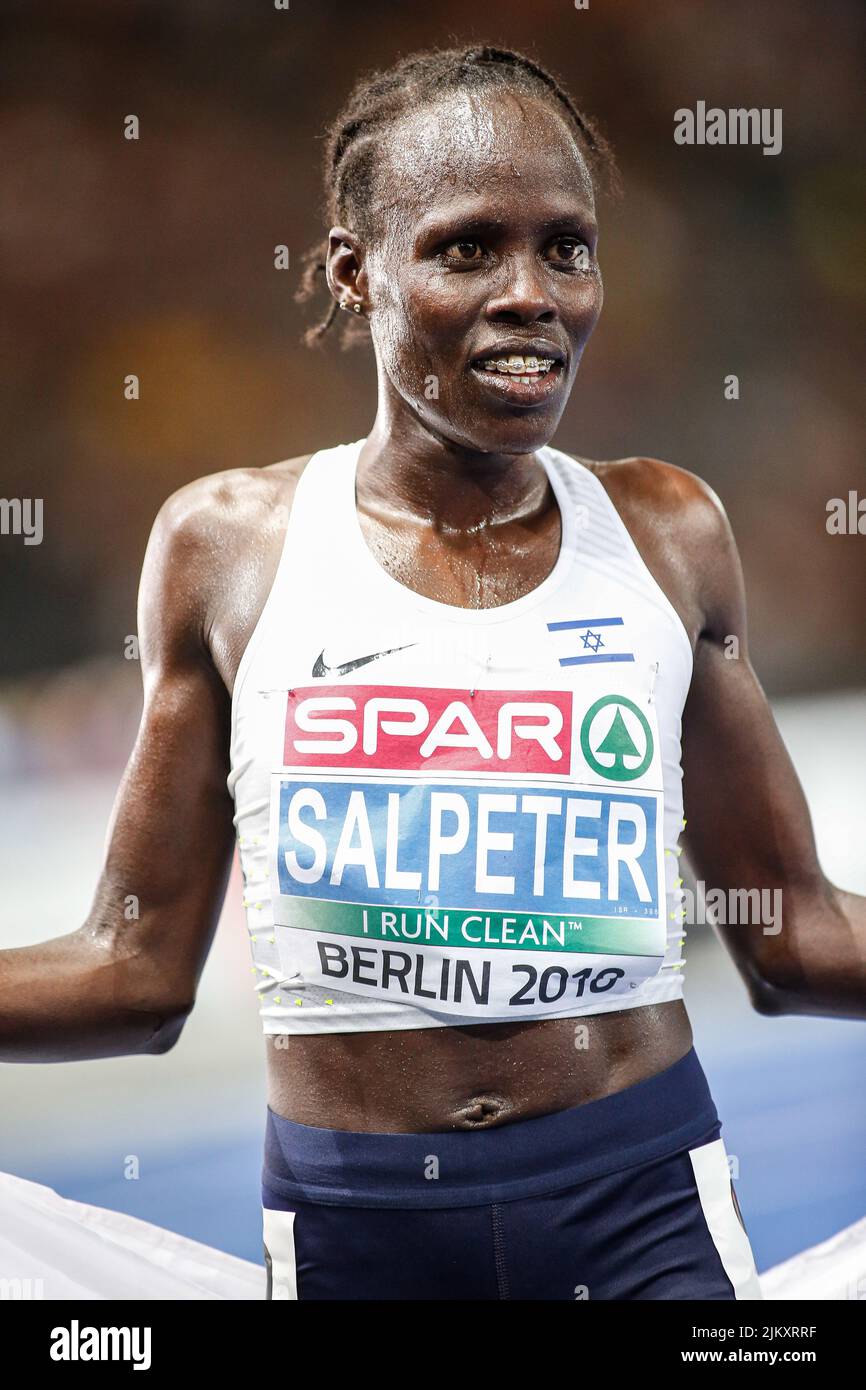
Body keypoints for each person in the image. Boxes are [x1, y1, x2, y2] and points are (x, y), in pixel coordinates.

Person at [2, 45, 864, 1301]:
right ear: (356, 273)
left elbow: (790, 937)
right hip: (354, 1238)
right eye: (467, 249)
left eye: (565, 248)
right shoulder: (228, 549)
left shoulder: (666, 534)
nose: (533, 295)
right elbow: (134, 975)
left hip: (646, 1228)